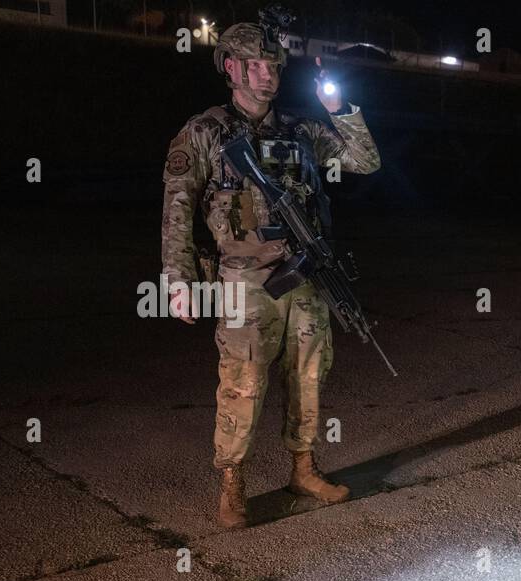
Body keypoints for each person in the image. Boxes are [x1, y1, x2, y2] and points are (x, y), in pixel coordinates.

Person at [161, 22, 380, 528]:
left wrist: (340, 109)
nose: (268, 76)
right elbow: (177, 207)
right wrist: (178, 280)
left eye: (274, 67)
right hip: (243, 282)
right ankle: (232, 482)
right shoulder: (204, 132)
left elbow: (365, 162)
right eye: (256, 66)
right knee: (243, 381)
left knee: (309, 375)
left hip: (304, 278)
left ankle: (303, 468)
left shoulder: (302, 130)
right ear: (231, 68)